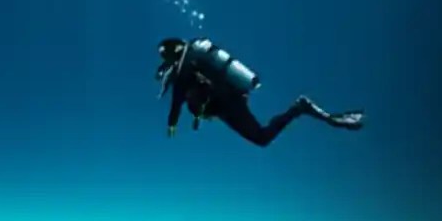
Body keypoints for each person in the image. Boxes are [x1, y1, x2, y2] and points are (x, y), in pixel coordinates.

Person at [156, 37, 364, 147]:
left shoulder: (184, 69)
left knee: (261, 138)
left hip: (227, 105)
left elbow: (177, 101)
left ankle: (299, 107)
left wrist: (171, 124)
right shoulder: (196, 56)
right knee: (261, 137)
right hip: (232, 99)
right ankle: (303, 110)